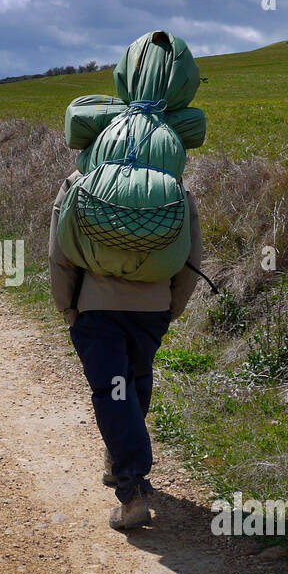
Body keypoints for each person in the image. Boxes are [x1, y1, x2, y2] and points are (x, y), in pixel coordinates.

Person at [48, 175, 201, 530]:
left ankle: (131, 491)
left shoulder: (79, 182)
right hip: (152, 308)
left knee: (114, 390)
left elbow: (60, 253)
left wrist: (68, 307)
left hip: (98, 308)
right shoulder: (174, 185)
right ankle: (118, 459)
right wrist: (170, 307)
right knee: (133, 381)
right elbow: (192, 255)